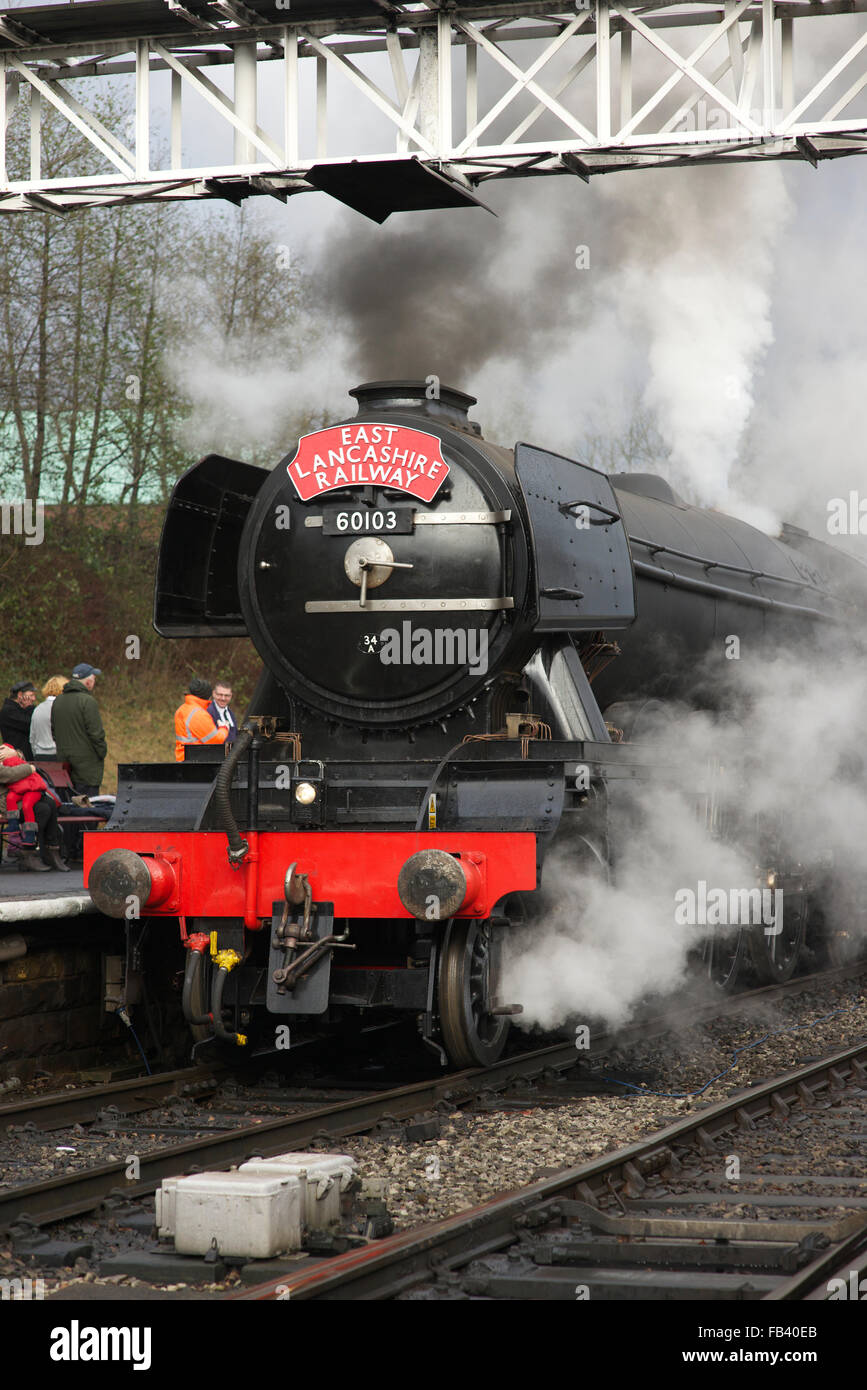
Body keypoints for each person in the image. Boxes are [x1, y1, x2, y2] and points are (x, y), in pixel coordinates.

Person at [0, 753, 68, 872]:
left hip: (19, 795)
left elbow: (16, 764)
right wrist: (29, 768)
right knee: (42, 810)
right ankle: (28, 851)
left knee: (50, 802)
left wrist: (15, 755)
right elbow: (7, 774)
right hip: (7, 804)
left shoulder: (7, 755)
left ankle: (51, 848)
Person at [51, 663, 107, 797]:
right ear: (87, 682)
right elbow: (96, 734)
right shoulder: (88, 701)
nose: (94, 682)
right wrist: (101, 753)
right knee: (88, 809)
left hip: (64, 766)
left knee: (69, 806)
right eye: (93, 679)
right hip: (87, 768)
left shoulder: (58, 701)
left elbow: (54, 732)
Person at [175, 679, 229, 762]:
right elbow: (215, 740)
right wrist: (224, 728)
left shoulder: (182, 709)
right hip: (196, 761)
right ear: (206, 695)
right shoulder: (198, 714)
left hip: (184, 759)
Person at [30, 675, 66, 759]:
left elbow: (32, 737)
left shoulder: (37, 709)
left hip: (40, 755)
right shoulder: (64, 708)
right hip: (58, 755)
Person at [0, 682, 37, 759]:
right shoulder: (9, 711)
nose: (34, 699)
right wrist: (29, 707)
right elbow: (30, 724)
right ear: (20, 695)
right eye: (31, 695)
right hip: (15, 758)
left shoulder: (20, 710)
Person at [207, 680, 239, 747]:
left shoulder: (231, 714)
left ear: (231, 696)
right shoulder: (207, 712)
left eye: (227, 695)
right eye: (220, 695)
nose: (223, 698)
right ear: (213, 694)